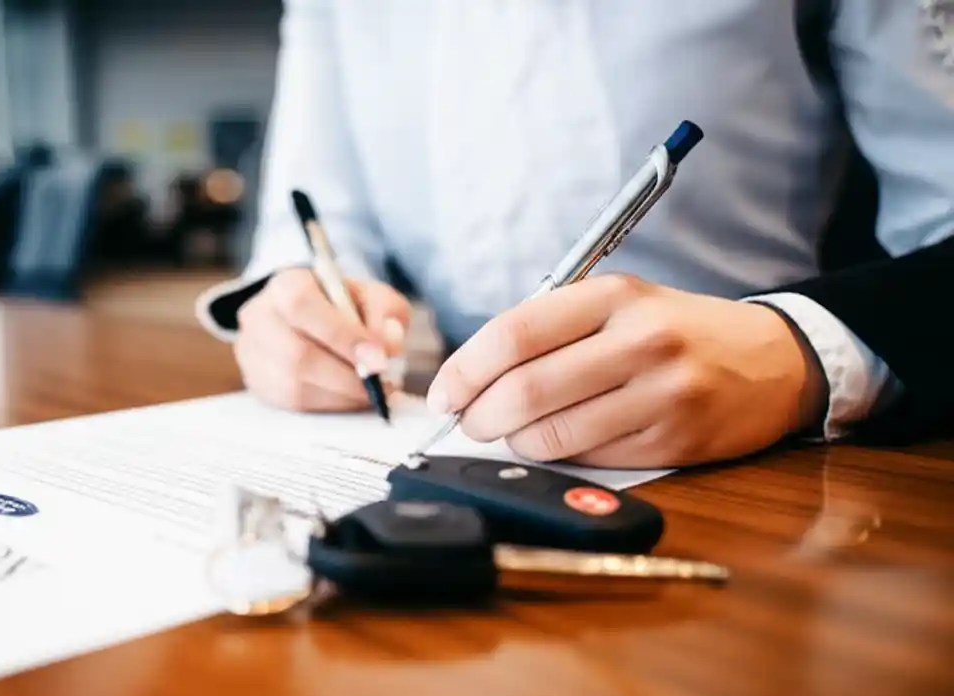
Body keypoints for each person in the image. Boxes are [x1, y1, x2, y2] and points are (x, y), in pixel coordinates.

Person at [198, 1, 954, 469]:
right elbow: (315, 228)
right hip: (465, 439)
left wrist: (795, 355)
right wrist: (296, 309)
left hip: (768, 468)